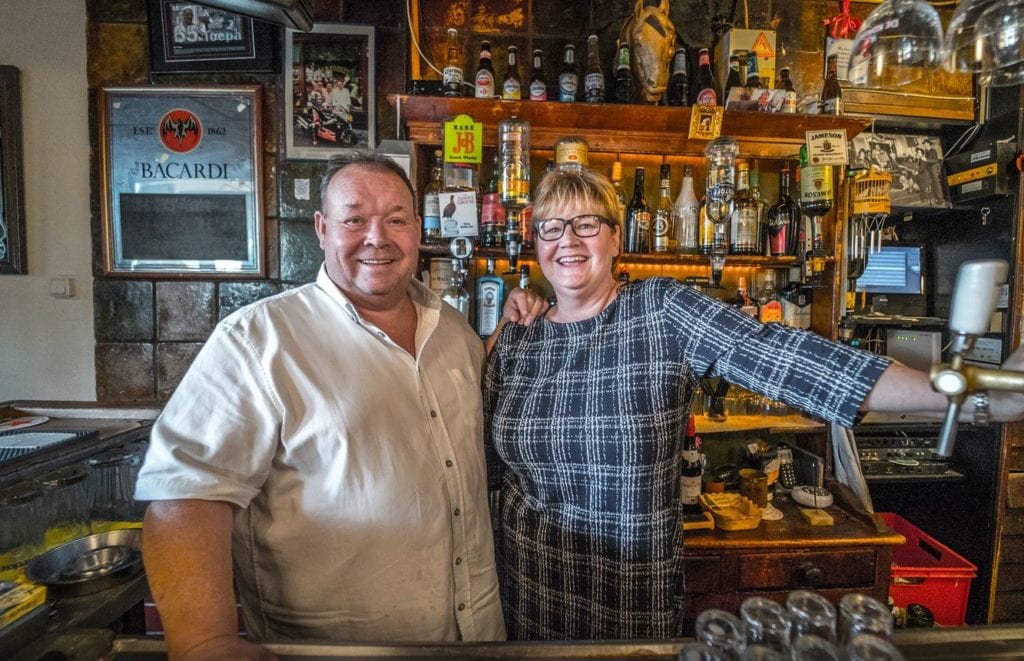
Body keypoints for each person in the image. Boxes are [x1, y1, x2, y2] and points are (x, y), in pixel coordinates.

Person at [483, 167, 1024, 641]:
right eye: (551, 227)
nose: (568, 240)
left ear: (616, 238)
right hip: (528, 592)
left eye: (587, 224)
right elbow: (476, 455)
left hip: (627, 602)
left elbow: (788, 358)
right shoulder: (518, 336)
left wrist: (969, 395)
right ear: (536, 244)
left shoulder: (660, 310)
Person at [137, 151, 542, 659]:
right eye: (355, 220)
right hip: (333, 648)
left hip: (477, 635)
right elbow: (187, 494)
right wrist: (205, 641)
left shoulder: (455, 333)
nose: (378, 237)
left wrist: (520, 316)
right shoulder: (258, 340)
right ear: (322, 227)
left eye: (396, 220)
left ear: (417, 230)